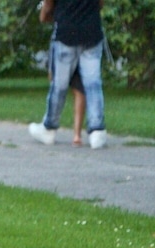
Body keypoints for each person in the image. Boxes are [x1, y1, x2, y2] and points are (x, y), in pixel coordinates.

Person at [29, 0, 109, 149]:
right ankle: (97, 130)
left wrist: (45, 15)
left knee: (59, 85)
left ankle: (49, 127)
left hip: (66, 32)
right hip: (91, 31)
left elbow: (48, 4)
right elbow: (100, 3)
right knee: (93, 84)